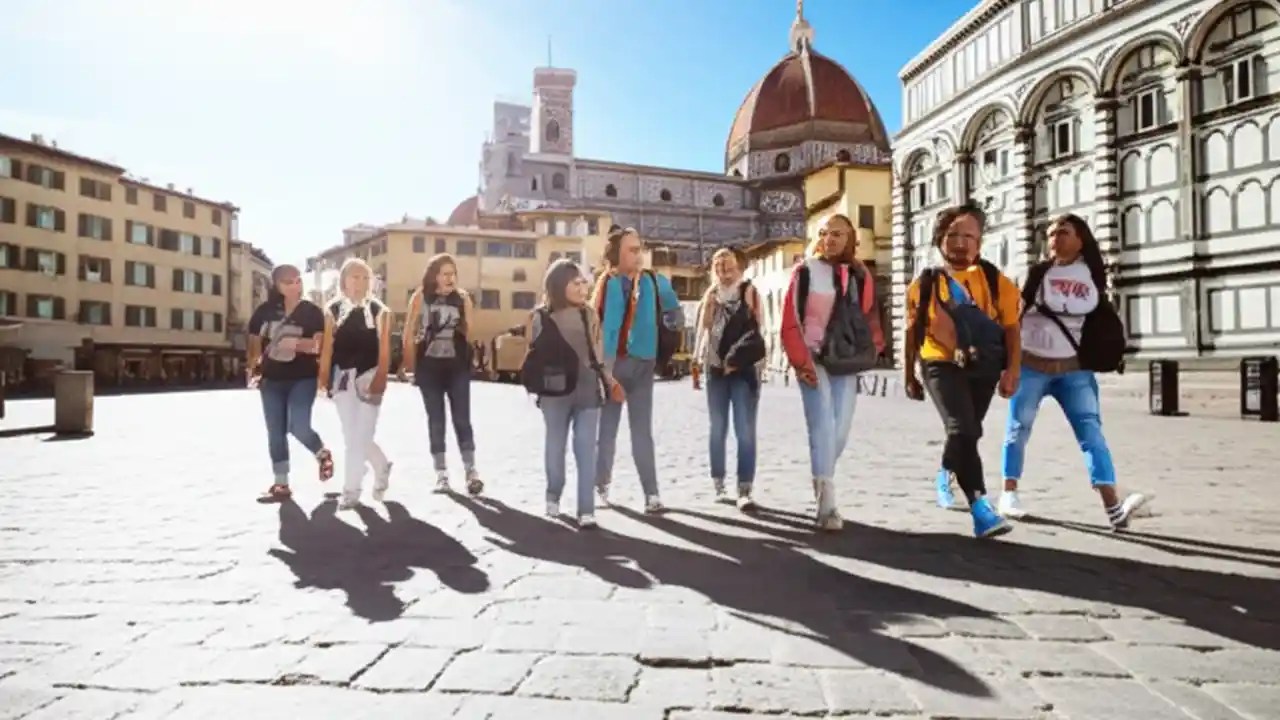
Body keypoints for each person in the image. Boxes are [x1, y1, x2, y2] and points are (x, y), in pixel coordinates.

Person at [998, 214, 1147, 528]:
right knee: (1017, 429)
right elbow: (1014, 318)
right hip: (1031, 364)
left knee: (1091, 434)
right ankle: (1008, 492)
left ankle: (1113, 507)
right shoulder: (1038, 273)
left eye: (1063, 232)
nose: (1055, 238)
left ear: (1081, 239)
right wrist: (1008, 366)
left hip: (1074, 370)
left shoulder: (1092, 277)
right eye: (1051, 234)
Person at [903, 202, 1020, 539]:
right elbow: (912, 331)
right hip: (939, 362)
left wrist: (1013, 371)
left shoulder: (997, 282)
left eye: (969, 235)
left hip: (982, 366)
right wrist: (908, 373)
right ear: (940, 240)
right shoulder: (924, 284)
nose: (960, 242)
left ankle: (947, 470)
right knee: (961, 428)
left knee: (968, 431)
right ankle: (981, 509)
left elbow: (1012, 329)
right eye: (953, 234)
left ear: (980, 242)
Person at [780, 214, 885, 531]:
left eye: (837, 233)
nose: (829, 239)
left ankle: (820, 472)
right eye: (824, 233)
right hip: (812, 358)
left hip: (846, 359)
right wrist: (799, 361)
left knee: (840, 430)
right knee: (822, 425)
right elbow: (789, 318)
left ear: (851, 237)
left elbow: (868, 315)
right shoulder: (805, 271)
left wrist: (874, 348)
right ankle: (827, 503)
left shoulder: (860, 274)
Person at [523, 259, 624, 528]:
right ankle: (553, 495)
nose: (582, 288)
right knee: (555, 447)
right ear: (558, 285)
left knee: (586, 450)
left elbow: (598, 353)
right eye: (575, 283)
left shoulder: (588, 314)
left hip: (588, 389)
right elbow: (534, 354)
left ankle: (586, 509)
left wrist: (609, 381)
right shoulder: (540, 316)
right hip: (554, 392)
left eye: (583, 282)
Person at [591, 226, 684, 513]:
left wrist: (662, 334)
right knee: (607, 430)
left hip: (643, 364)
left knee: (642, 432)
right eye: (631, 250)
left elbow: (675, 312)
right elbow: (600, 326)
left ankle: (651, 493)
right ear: (616, 254)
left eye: (639, 248)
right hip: (613, 366)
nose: (638, 254)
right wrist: (602, 370)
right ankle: (601, 486)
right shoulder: (607, 283)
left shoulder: (654, 281)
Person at [247, 264, 333, 503]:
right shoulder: (264, 312)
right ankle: (281, 484)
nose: (295, 285)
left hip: (303, 378)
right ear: (277, 285)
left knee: (298, 426)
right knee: (276, 430)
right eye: (288, 281)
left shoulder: (312, 312)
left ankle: (321, 453)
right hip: (271, 379)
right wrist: (253, 367)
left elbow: (317, 345)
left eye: (297, 280)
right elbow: (254, 341)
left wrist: (292, 343)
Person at [317, 258, 393, 510]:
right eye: (354, 277)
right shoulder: (332, 310)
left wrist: (382, 377)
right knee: (352, 436)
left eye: (364, 278)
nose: (359, 283)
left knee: (360, 435)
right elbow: (327, 348)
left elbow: (384, 351)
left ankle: (351, 491)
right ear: (343, 280)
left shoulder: (379, 310)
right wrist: (323, 378)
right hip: (342, 379)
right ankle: (381, 464)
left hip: (369, 376)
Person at [692, 247, 765, 511]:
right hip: (715, 370)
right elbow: (703, 332)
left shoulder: (749, 293)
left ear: (739, 268)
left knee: (745, 430)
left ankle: (744, 488)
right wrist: (696, 362)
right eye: (719, 267)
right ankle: (719, 483)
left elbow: (760, 332)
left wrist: (759, 367)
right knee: (717, 429)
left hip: (744, 371)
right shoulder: (710, 296)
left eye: (729, 266)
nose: (724, 272)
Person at [404, 253, 483, 495]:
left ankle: (471, 472)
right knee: (436, 421)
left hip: (456, 366)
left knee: (462, 419)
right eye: (445, 274)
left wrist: (474, 358)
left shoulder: (463, 299)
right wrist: (409, 366)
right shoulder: (420, 297)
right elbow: (409, 331)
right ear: (434, 276)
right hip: (429, 368)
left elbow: (469, 334)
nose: (450, 278)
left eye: (453, 274)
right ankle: (442, 474)